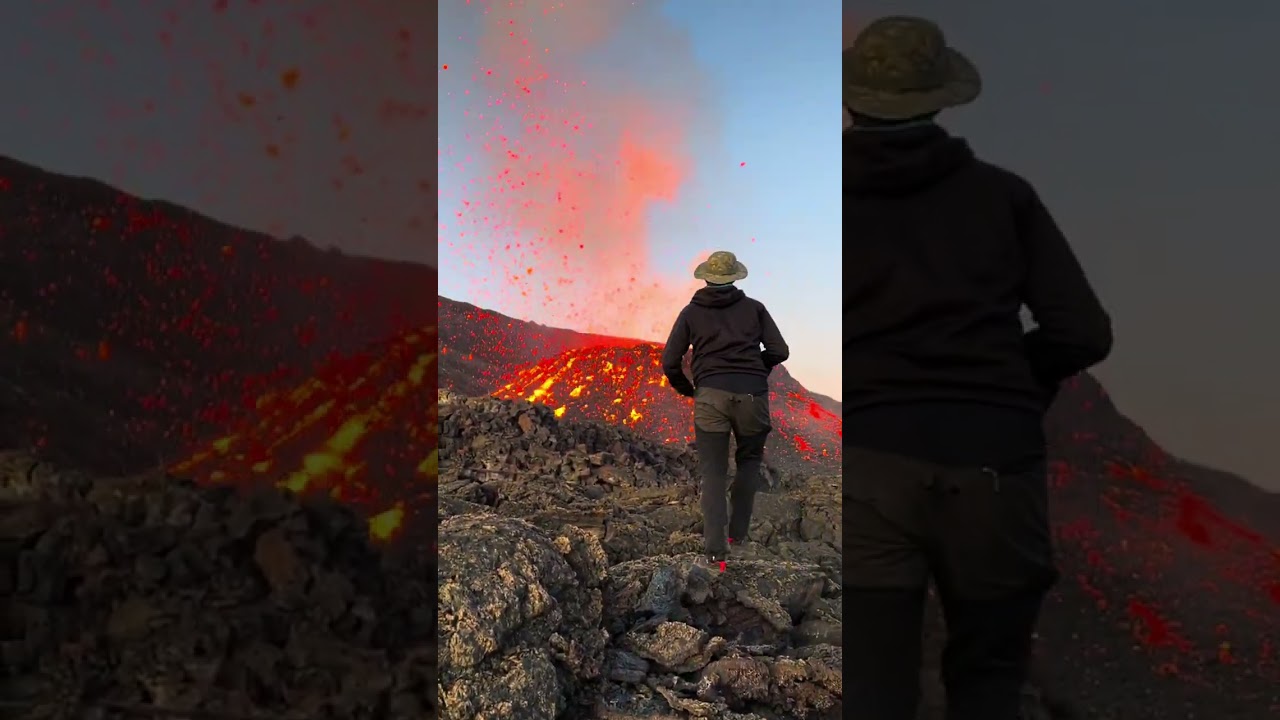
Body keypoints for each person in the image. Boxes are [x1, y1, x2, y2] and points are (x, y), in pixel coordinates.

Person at [844, 16, 1113, 720]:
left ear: (851, 99)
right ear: (940, 97)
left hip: (869, 467)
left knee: (872, 681)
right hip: (995, 465)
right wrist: (1011, 385)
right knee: (991, 679)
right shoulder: (1003, 196)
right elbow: (1081, 331)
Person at [660, 251, 790, 571]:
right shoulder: (754, 309)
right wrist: (756, 369)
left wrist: (689, 389)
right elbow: (780, 350)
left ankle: (716, 553)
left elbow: (669, 362)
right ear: (734, 277)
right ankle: (738, 536)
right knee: (749, 463)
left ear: (706, 278)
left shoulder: (691, 313)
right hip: (752, 396)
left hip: (710, 397)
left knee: (713, 473)